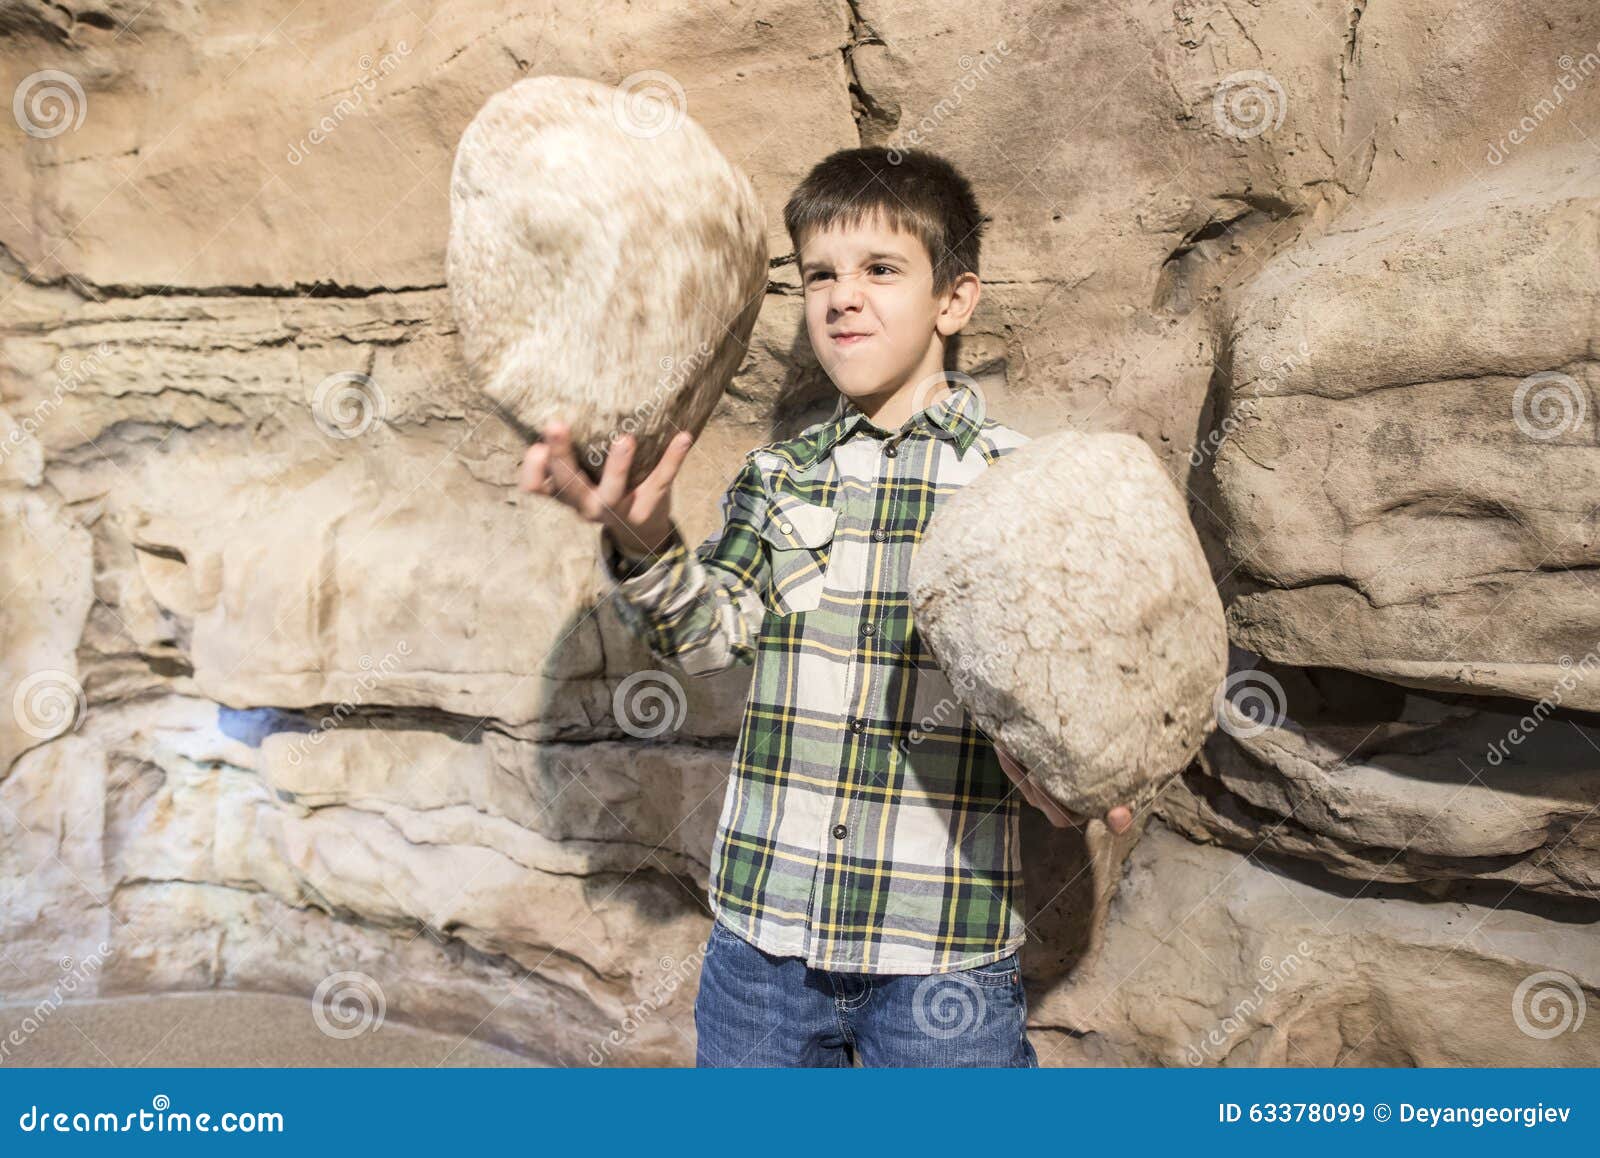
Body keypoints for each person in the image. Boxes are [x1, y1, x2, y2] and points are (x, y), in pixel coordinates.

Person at [519, 146, 1133, 1067]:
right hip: (764, 950)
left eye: (881, 269)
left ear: (954, 299)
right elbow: (708, 639)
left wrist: (1072, 776)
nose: (843, 296)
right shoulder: (777, 477)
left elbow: (1065, 693)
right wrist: (642, 542)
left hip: (943, 957)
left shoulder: (1022, 483)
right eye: (820, 276)